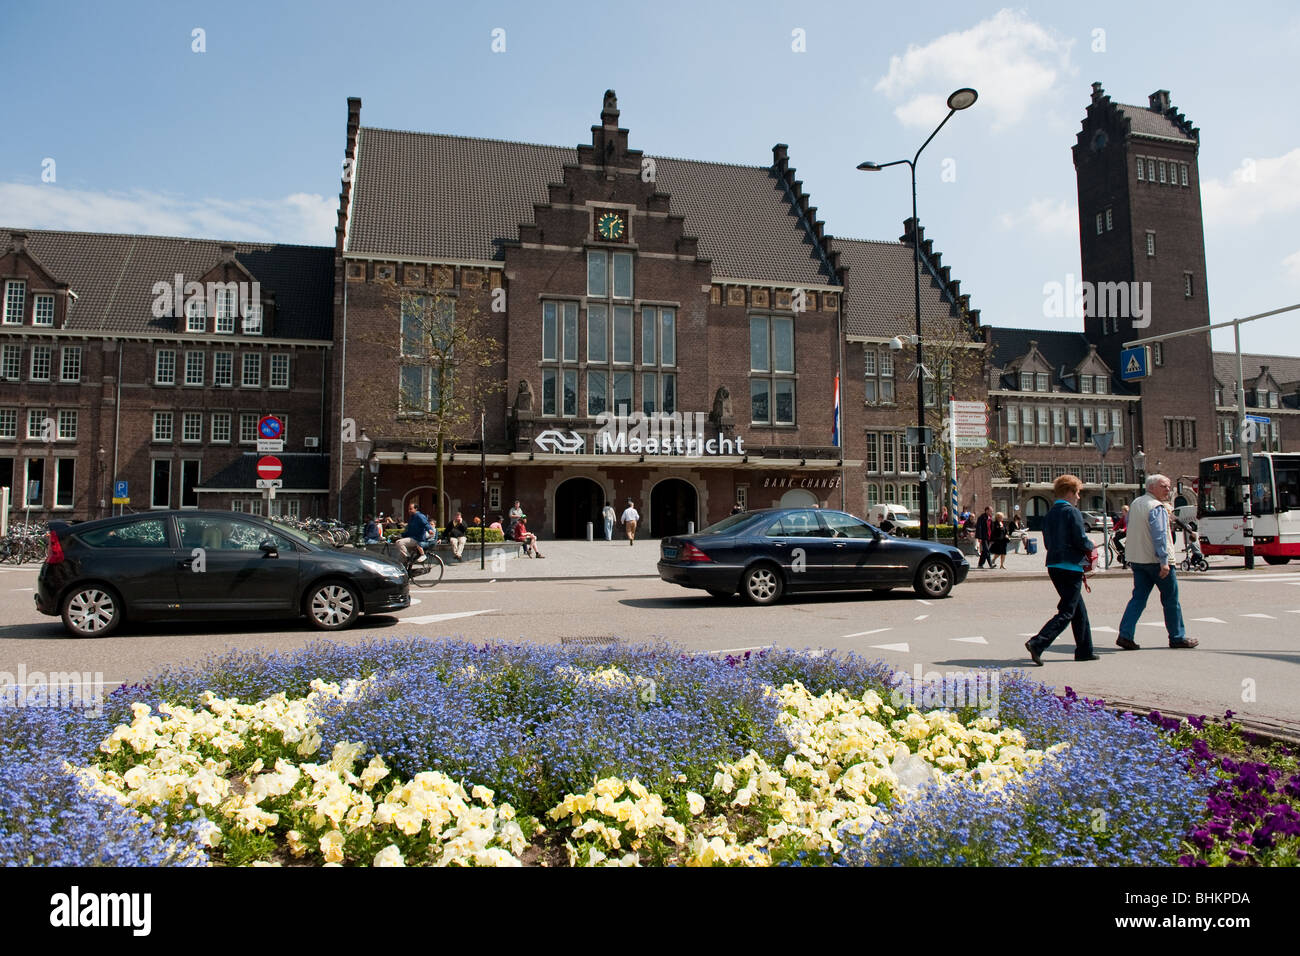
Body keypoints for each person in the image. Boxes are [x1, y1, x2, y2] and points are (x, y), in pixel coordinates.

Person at [1116, 474, 1199, 651]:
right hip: (1156, 561)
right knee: (1171, 599)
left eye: (1168, 486)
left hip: (1138, 559)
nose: (1168, 489)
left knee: (1138, 598)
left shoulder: (1136, 503)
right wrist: (1164, 561)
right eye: (1164, 486)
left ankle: (1125, 634)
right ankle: (1177, 636)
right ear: (1151, 487)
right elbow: (1159, 535)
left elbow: (1132, 527)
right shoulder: (1157, 507)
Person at [1025, 474, 1099, 665]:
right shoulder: (1071, 512)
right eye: (1077, 493)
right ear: (1069, 492)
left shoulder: (1049, 514)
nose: (1078, 497)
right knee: (1067, 610)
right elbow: (1079, 539)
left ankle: (1084, 649)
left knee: (1078, 609)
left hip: (1054, 564)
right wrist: (1090, 545)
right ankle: (1038, 642)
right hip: (1070, 565)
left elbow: (1048, 542)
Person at [396, 501, 431, 565]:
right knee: (401, 558)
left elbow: (426, 524)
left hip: (417, 538)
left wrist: (430, 530)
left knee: (399, 542)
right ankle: (407, 571)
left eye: (410, 509)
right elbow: (410, 530)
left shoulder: (420, 516)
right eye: (408, 509)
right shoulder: (412, 517)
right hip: (412, 538)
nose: (409, 510)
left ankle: (408, 558)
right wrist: (401, 535)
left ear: (416, 509)